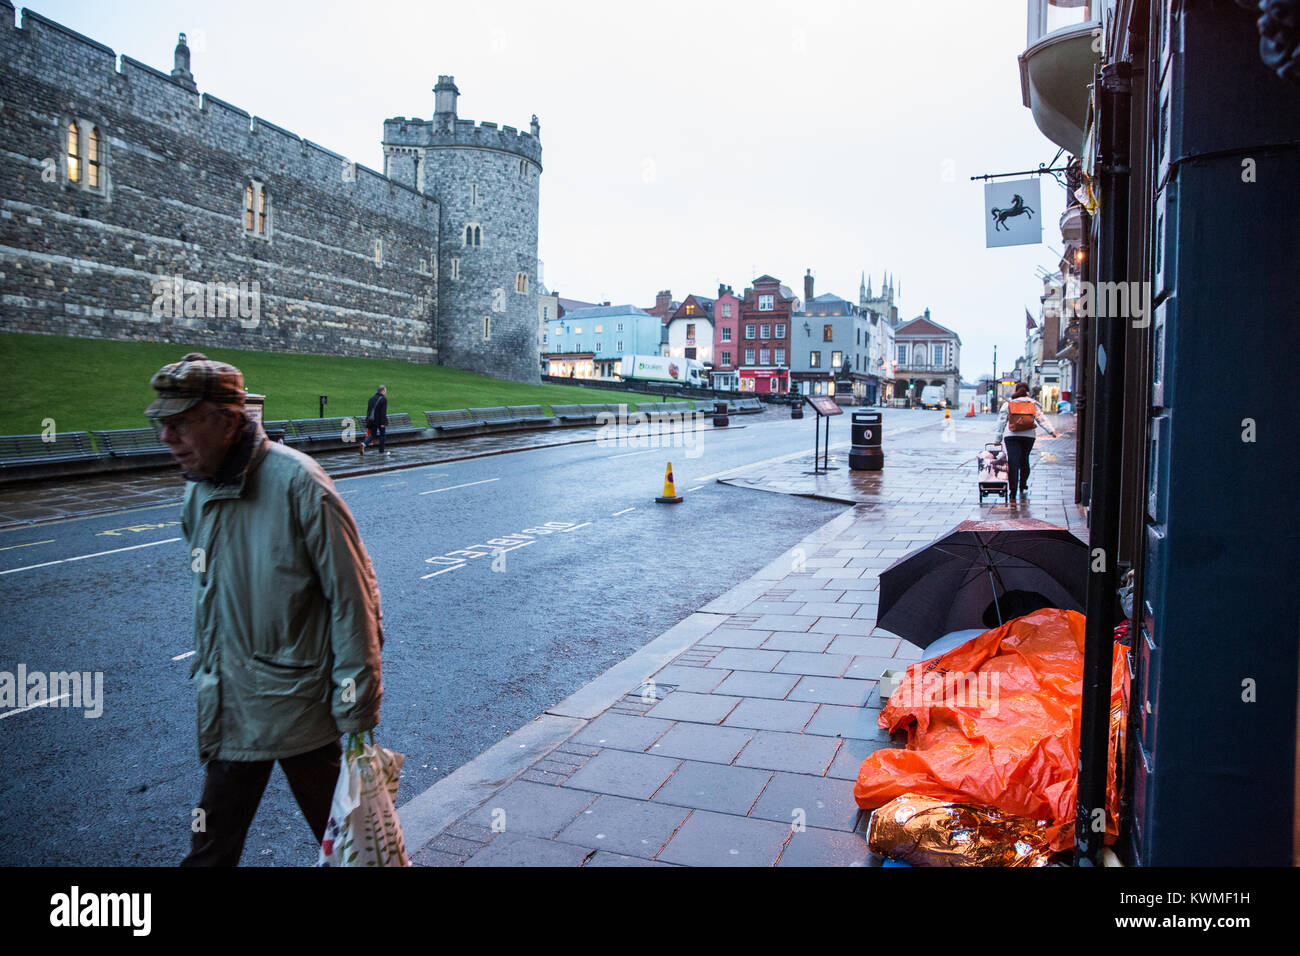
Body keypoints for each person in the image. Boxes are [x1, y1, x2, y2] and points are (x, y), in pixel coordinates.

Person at [145, 352, 384, 866]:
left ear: (226, 420)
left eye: (180, 423)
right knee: (212, 846)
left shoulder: (298, 482)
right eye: (161, 424)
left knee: (354, 848)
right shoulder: (198, 492)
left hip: (299, 710)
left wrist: (357, 706)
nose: (166, 437)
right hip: (234, 705)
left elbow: (353, 596)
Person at [995, 381, 1059, 502]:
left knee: (1013, 462)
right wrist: (1051, 431)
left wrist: (997, 439)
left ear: (1016, 391)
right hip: (1028, 436)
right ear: (1027, 392)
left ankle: (1012, 490)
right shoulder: (1033, 404)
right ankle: (1023, 484)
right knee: (1024, 460)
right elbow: (1041, 419)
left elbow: (1001, 421)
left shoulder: (1009, 404)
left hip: (1011, 435)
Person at [361, 385, 388, 455]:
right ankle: (381, 451)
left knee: (373, 434)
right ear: (383, 391)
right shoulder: (383, 399)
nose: (385, 392)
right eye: (385, 391)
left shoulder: (371, 398)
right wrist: (383, 423)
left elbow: (369, 410)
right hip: (379, 421)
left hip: (372, 420)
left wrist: (368, 419)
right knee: (382, 435)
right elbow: (383, 412)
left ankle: (364, 444)